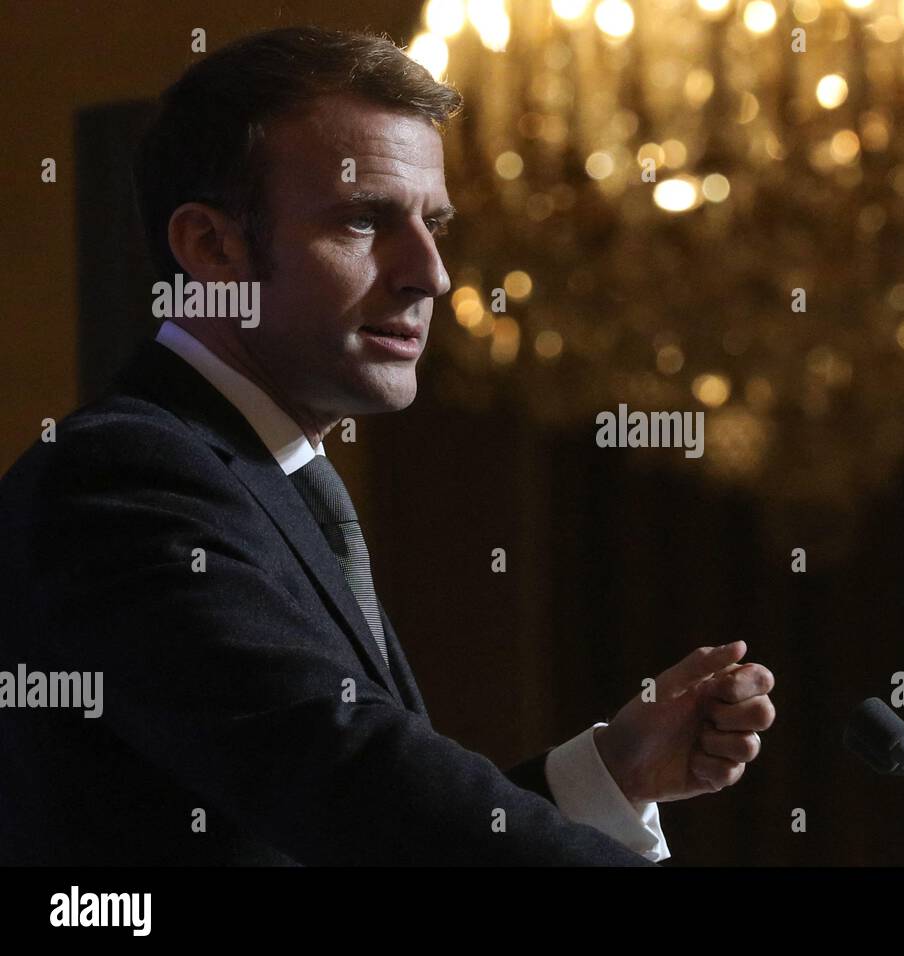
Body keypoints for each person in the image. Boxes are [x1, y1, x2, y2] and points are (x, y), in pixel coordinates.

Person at [0, 26, 775, 865]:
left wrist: (611, 776)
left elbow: (341, 819)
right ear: (211, 248)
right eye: (366, 221)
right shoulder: (119, 479)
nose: (431, 273)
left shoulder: (268, 478)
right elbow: (347, 777)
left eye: (433, 223)